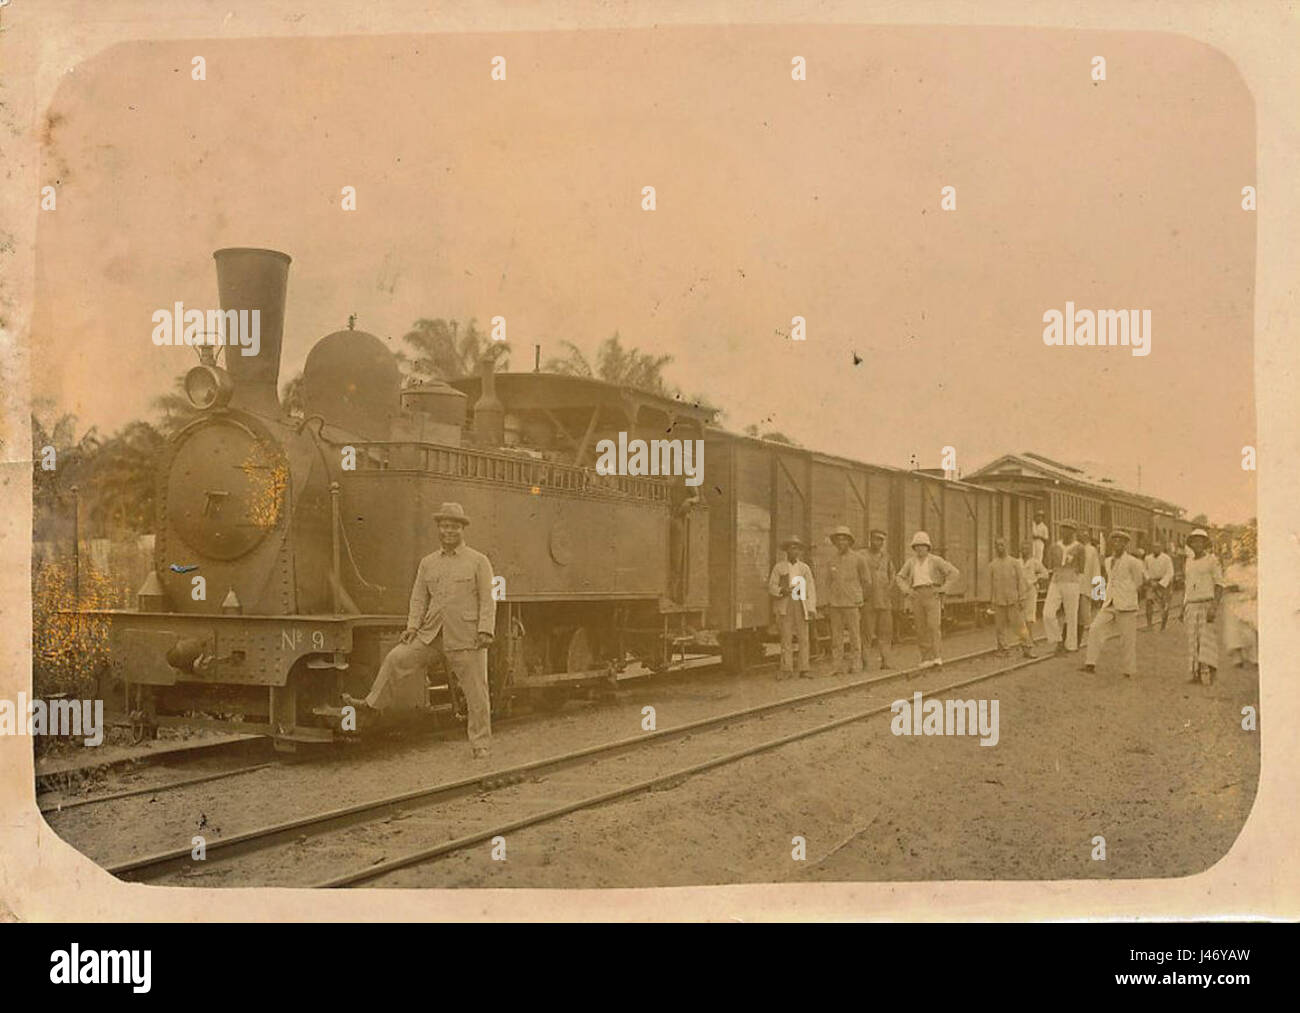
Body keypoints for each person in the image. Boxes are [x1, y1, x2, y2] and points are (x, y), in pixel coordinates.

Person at [344, 502, 497, 759]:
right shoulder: (427, 563)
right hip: (431, 634)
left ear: (462, 529)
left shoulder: (478, 561)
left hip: (466, 637)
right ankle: (372, 705)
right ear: (438, 529)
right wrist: (412, 626)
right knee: (396, 658)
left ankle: (480, 744)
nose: (448, 531)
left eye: (454, 527)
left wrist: (485, 630)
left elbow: (487, 599)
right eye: (444, 526)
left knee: (476, 693)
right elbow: (418, 598)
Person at [1080, 530, 1145, 678]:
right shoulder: (1108, 561)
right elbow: (1107, 580)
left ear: (1125, 544)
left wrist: (1127, 595)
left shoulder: (1133, 562)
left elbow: (1139, 582)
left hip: (1127, 604)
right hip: (1109, 603)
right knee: (1095, 628)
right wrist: (1100, 595)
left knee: (1127, 639)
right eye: (1114, 541)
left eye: (1120, 541)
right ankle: (1090, 664)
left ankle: (1129, 671)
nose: (1117, 544)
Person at [895, 531, 959, 668]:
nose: (919, 549)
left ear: (928, 547)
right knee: (920, 627)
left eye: (922, 546)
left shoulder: (936, 560)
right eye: (917, 546)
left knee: (933, 626)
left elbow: (954, 573)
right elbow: (899, 577)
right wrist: (907, 590)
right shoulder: (911, 562)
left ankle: (936, 656)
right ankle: (925, 658)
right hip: (917, 596)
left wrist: (943, 588)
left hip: (932, 595)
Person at [822, 526, 871, 675]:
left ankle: (856, 664)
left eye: (844, 539)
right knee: (836, 637)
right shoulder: (831, 560)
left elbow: (867, 581)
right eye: (838, 539)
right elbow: (828, 582)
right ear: (835, 542)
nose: (841, 541)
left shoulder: (858, 559)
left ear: (850, 541)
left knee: (855, 636)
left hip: (852, 604)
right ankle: (837, 666)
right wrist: (828, 601)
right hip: (836, 604)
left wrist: (860, 598)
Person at [769, 536, 817, 680]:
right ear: (786, 550)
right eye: (791, 548)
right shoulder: (779, 567)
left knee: (803, 638)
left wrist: (811, 607)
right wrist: (783, 590)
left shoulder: (804, 568)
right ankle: (786, 669)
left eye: (797, 548)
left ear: (800, 551)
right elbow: (771, 586)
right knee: (786, 638)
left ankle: (804, 668)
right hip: (786, 604)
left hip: (801, 604)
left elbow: (811, 589)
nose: (794, 551)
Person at [1181, 528, 1224, 685]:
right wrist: (1183, 606)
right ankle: (1196, 675)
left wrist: (1214, 607)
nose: (1197, 543)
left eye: (1200, 541)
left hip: (1206, 604)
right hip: (1191, 605)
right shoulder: (1189, 561)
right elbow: (1188, 586)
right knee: (1193, 641)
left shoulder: (1212, 560)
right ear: (1190, 543)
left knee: (1208, 641)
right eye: (1194, 541)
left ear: (1205, 543)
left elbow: (1219, 584)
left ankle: (1212, 676)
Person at [1043, 520, 1084, 654]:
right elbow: (1051, 565)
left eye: (1069, 530)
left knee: (1071, 616)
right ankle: (1058, 640)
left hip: (1072, 582)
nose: (1066, 532)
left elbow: (1081, 568)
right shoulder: (1054, 547)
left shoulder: (1079, 548)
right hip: (1056, 581)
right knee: (1047, 613)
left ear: (1074, 532)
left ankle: (1071, 646)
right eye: (1063, 529)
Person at [989, 538, 1035, 658]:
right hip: (999, 601)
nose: (1000, 548)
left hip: (1013, 600)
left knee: (1020, 626)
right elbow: (991, 585)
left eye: (1002, 545)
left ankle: (1027, 649)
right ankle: (1003, 650)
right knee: (1000, 628)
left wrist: (1022, 598)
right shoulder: (993, 565)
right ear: (995, 548)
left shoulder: (1015, 563)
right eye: (998, 545)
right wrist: (991, 602)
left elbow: (1021, 581)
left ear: (1006, 546)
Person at [859, 528, 896, 669]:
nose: (878, 542)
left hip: (884, 602)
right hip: (868, 601)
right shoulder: (862, 556)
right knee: (866, 633)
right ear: (870, 540)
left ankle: (885, 661)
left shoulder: (886, 557)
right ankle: (866, 663)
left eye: (881, 540)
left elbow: (892, 574)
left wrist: (888, 589)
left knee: (885, 633)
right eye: (876, 539)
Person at [1222, 541, 1258, 668]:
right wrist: (1229, 588)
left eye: (1245, 554)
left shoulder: (1254, 570)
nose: (1242, 557)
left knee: (1249, 631)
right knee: (1234, 632)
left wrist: (1241, 588)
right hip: (1232, 603)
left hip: (1247, 602)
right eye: (1240, 554)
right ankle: (1237, 658)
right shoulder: (1230, 570)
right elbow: (1224, 584)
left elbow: (1256, 586)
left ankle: (1253, 657)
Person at [1077, 528, 1103, 644]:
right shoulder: (1074, 548)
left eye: (1083, 536)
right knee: (1071, 614)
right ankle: (1067, 641)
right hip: (1072, 586)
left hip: (1085, 587)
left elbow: (1096, 570)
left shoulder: (1092, 550)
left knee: (1083, 616)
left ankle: (1077, 640)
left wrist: (1098, 593)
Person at [1143, 542, 1174, 631]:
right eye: (1154, 547)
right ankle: (1149, 625)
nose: (1156, 549)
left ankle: (1163, 626)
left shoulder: (1166, 558)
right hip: (1151, 583)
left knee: (1164, 606)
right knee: (1149, 603)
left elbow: (1170, 572)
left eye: (1157, 547)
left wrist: (1161, 583)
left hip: (1163, 584)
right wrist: (1149, 580)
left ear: (1161, 548)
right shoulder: (1147, 558)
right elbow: (1144, 570)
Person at [1018, 538, 1048, 631]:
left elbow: (1045, 573)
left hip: (1031, 589)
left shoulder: (1034, 562)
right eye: (1023, 549)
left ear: (1030, 550)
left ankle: (1030, 637)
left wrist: (1036, 579)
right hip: (1019, 590)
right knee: (1020, 614)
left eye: (1026, 549)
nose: (1024, 551)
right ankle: (1023, 638)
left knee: (1030, 614)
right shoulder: (1017, 562)